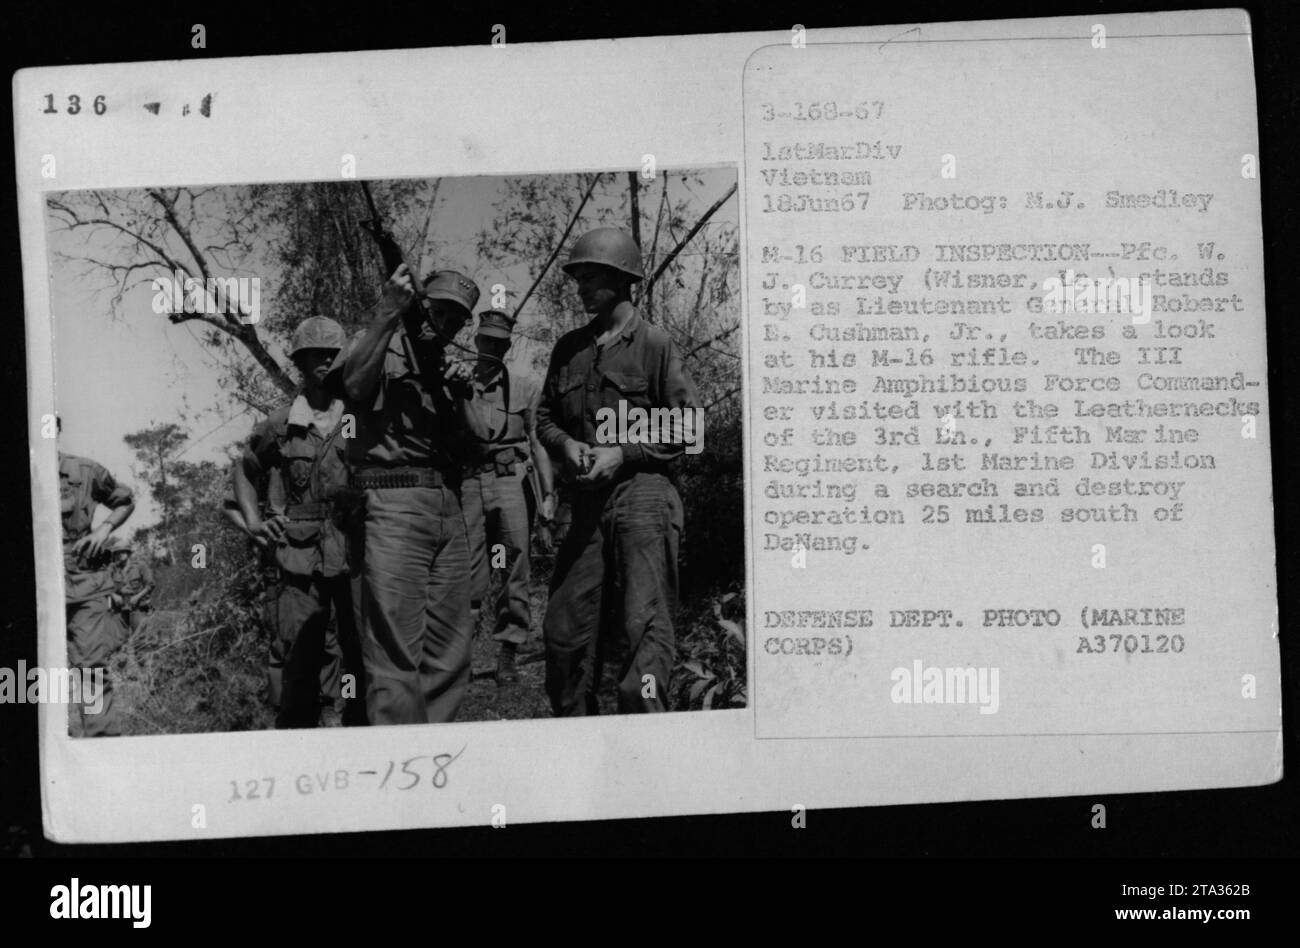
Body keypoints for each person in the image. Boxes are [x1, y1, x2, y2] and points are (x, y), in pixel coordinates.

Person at [536, 228, 702, 715]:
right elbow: (543, 418)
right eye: (579, 277)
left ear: (623, 279)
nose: (581, 286)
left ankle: (646, 746)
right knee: (563, 632)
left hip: (644, 496)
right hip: (585, 501)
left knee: (644, 629)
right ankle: (577, 742)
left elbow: (687, 426)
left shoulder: (653, 343)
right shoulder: (569, 349)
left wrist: (622, 453)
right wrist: (565, 444)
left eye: (592, 276)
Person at [329, 264, 478, 725]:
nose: (447, 323)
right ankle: (401, 764)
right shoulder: (377, 340)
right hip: (391, 501)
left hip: (448, 505)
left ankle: (437, 759)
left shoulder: (449, 363)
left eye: (457, 317)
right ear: (419, 304)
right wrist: (387, 313)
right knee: (394, 651)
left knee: (450, 650)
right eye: (439, 311)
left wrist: (461, 393)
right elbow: (353, 386)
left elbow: (477, 447)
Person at [232, 316, 363, 729]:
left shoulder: (359, 416)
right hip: (300, 551)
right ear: (299, 364)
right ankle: (320, 716)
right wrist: (254, 520)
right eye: (314, 356)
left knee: (358, 640)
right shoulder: (281, 423)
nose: (325, 362)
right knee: (305, 645)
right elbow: (243, 470)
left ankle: (357, 717)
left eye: (332, 354)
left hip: (357, 544)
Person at [458, 309, 555, 684]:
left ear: (507, 346)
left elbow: (538, 441)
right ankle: (460, 659)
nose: (492, 349)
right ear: (476, 341)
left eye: (500, 344)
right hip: (469, 483)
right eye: (487, 341)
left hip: (511, 482)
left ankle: (508, 655)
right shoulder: (459, 383)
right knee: (466, 572)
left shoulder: (526, 387)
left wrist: (548, 494)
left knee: (514, 566)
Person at [59, 425, 135, 737]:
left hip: (80, 581)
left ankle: (100, 746)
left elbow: (124, 499)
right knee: (19, 675)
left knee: (90, 669)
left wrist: (103, 529)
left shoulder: (84, 470)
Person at [108, 539, 154, 634]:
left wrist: (137, 597)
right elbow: (104, 585)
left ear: (128, 553)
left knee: (139, 637)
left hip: (137, 607)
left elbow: (150, 585)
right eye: (117, 552)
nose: (120, 554)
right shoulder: (112, 568)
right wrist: (113, 595)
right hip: (119, 608)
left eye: (123, 551)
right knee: (118, 639)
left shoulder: (140, 566)